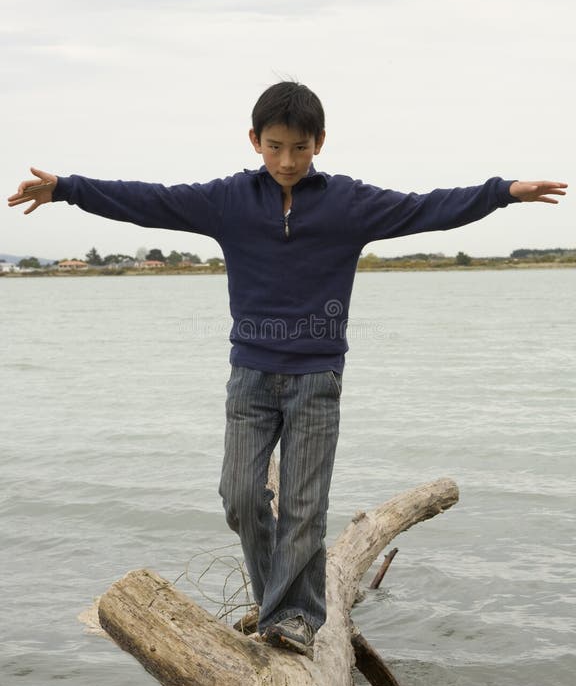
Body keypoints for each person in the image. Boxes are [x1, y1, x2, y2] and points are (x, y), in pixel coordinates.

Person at [8, 81, 568, 656]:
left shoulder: (349, 203)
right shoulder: (228, 200)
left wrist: (502, 192)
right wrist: (67, 190)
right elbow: (151, 199)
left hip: (317, 380)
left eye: (299, 148)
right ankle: (279, 601)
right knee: (241, 496)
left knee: (304, 507)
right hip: (250, 376)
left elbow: (428, 208)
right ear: (254, 141)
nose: (287, 161)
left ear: (320, 142)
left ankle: (294, 616)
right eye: (274, 147)